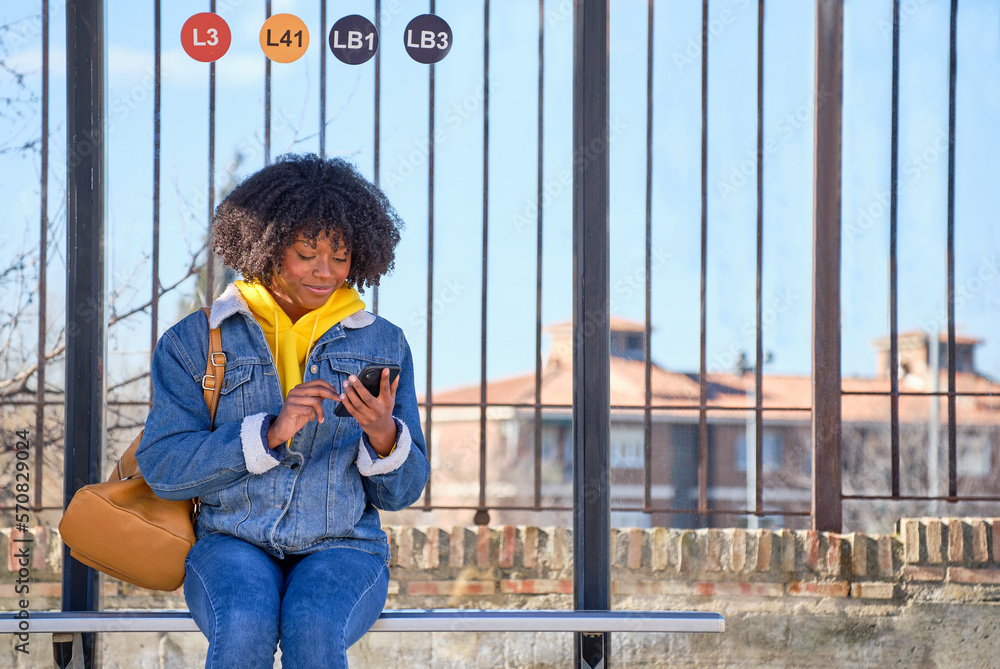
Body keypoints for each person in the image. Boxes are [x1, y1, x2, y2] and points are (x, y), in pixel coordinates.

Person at [136, 154, 430, 668]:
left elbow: (400, 493)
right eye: (306, 253)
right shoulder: (194, 342)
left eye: (340, 257)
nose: (326, 272)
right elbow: (163, 469)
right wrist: (269, 432)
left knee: (314, 629)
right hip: (231, 541)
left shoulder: (385, 343)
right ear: (267, 248)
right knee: (245, 625)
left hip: (343, 546)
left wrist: (384, 434)